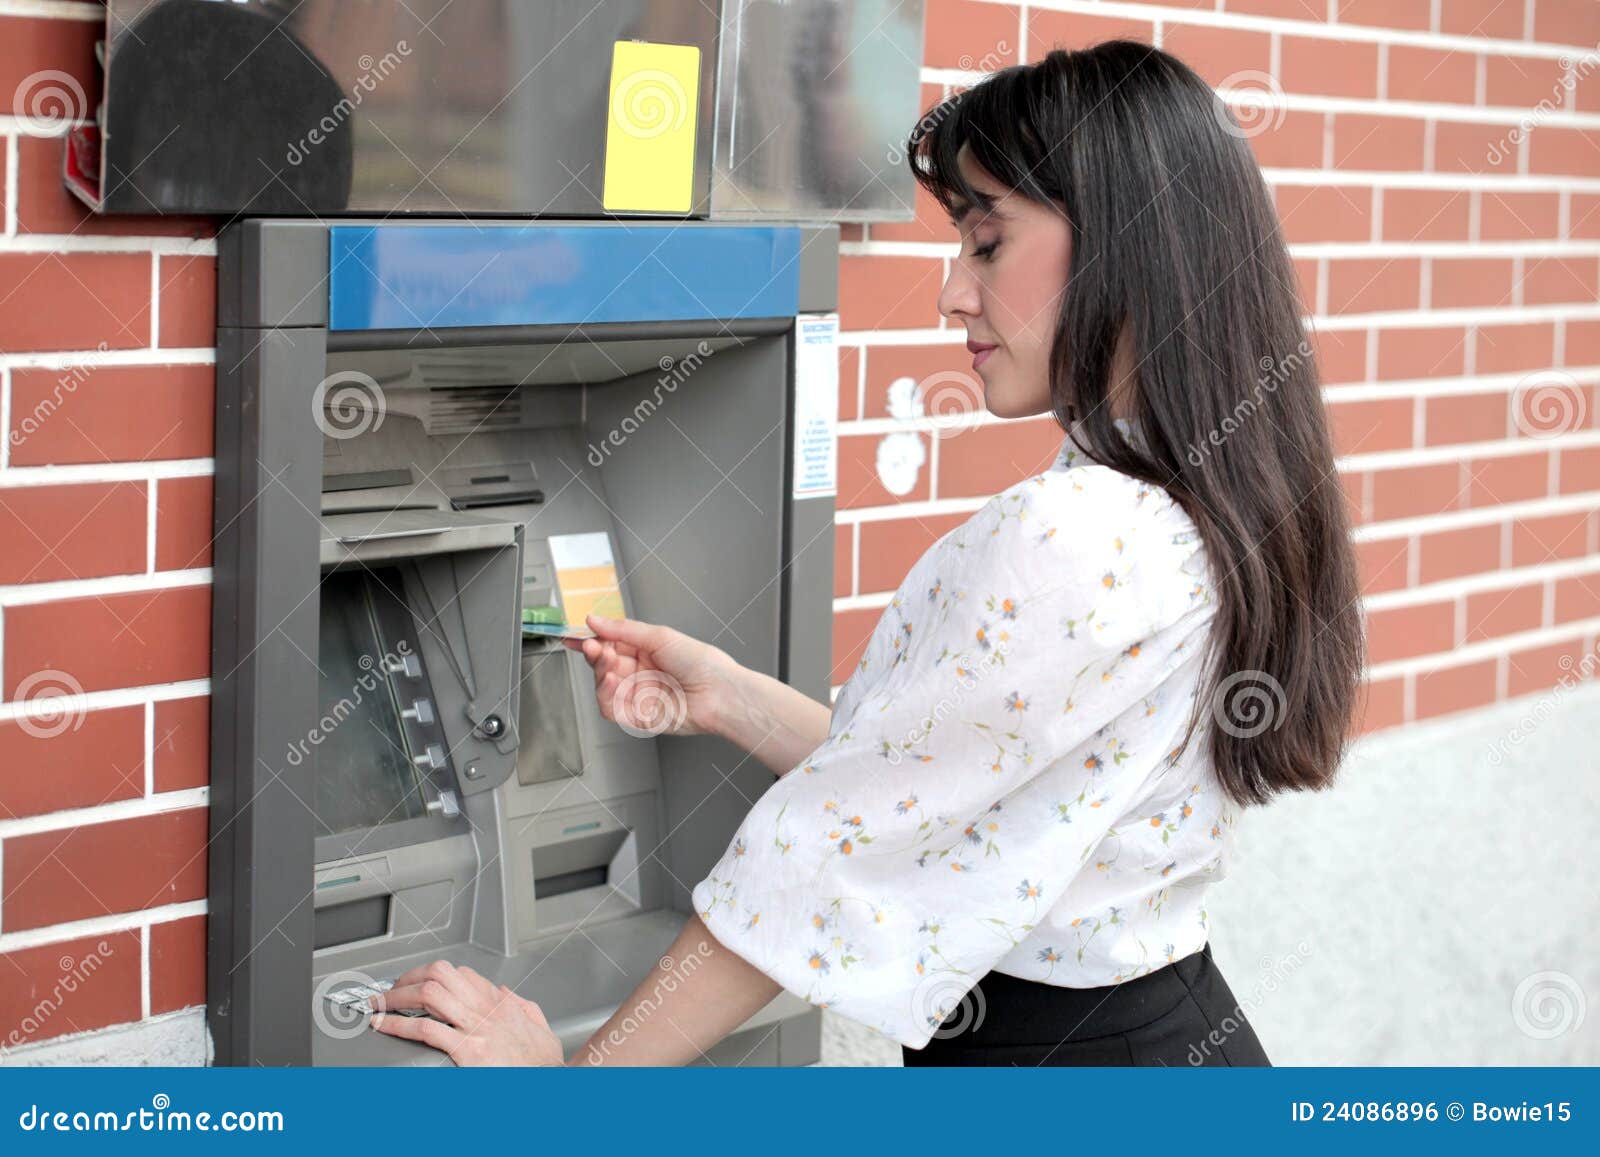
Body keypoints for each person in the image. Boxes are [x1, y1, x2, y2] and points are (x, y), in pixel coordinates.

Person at [369, 40, 1364, 1067]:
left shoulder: (1073, 532)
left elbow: (813, 860)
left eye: (985, 243)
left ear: (1125, 242)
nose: (950, 293)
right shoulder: (1202, 498)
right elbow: (948, 780)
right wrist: (733, 697)